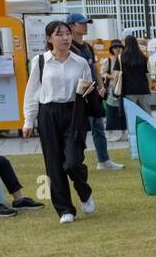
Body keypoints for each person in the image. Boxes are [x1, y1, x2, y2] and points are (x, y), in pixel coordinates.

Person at [21, 20, 96, 223]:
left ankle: (85, 192)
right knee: (54, 164)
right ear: (49, 38)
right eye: (59, 34)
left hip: (74, 113)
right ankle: (65, 210)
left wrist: (93, 90)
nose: (65, 38)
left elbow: (88, 89)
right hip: (49, 113)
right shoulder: (40, 61)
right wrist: (28, 121)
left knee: (72, 162)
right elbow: (32, 92)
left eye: (67, 33)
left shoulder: (80, 62)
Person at [67, 12, 123, 171]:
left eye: (86, 23)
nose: (85, 26)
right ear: (72, 26)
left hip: (92, 95)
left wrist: (101, 86)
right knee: (77, 131)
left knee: (98, 126)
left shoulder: (87, 46)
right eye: (82, 23)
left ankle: (103, 161)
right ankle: (75, 162)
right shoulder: (69, 47)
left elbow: (94, 68)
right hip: (77, 96)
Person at [117, 34, 152, 113]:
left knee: (131, 116)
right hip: (143, 90)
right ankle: (146, 126)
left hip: (128, 91)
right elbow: (148, 75)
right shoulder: (144, 58)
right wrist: (149, 89)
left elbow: (117, 74)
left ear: (125, 43)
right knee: (146, 115)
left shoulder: (121, 57)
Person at [101, 40, 127, 134]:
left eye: (120, 47)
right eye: (115, 47)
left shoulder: (124, 60)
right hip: (112, 88)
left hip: (123, 88)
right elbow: (103, 73)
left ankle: (123, 131)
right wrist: (113, 77)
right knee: (112, 109)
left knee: (123, 110)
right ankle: (111, 132)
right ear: (111, 49)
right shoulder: (108, 60)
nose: (118, 49)